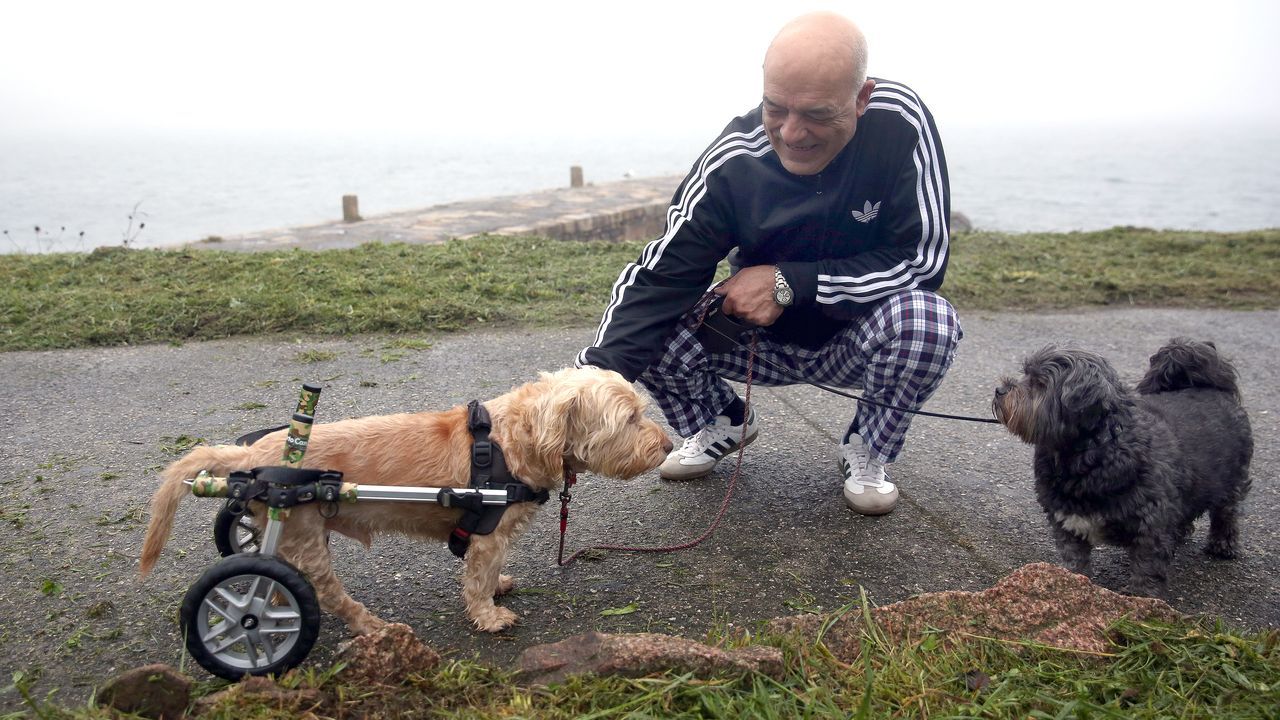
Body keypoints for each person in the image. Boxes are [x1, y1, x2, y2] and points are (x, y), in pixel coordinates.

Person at [575, 11, 961, 516]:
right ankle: (719, 421)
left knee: (929, 321)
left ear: (861, 98)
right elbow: (662, 276)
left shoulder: (900, 122)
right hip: (753, 343)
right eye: (775, 107)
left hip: (857, 336)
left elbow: (923, 261)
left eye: (818, 114)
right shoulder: (736, 156)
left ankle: (868, 448)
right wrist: (583, 388)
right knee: (647, 323)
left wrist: (789, 282)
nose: (792, 133)